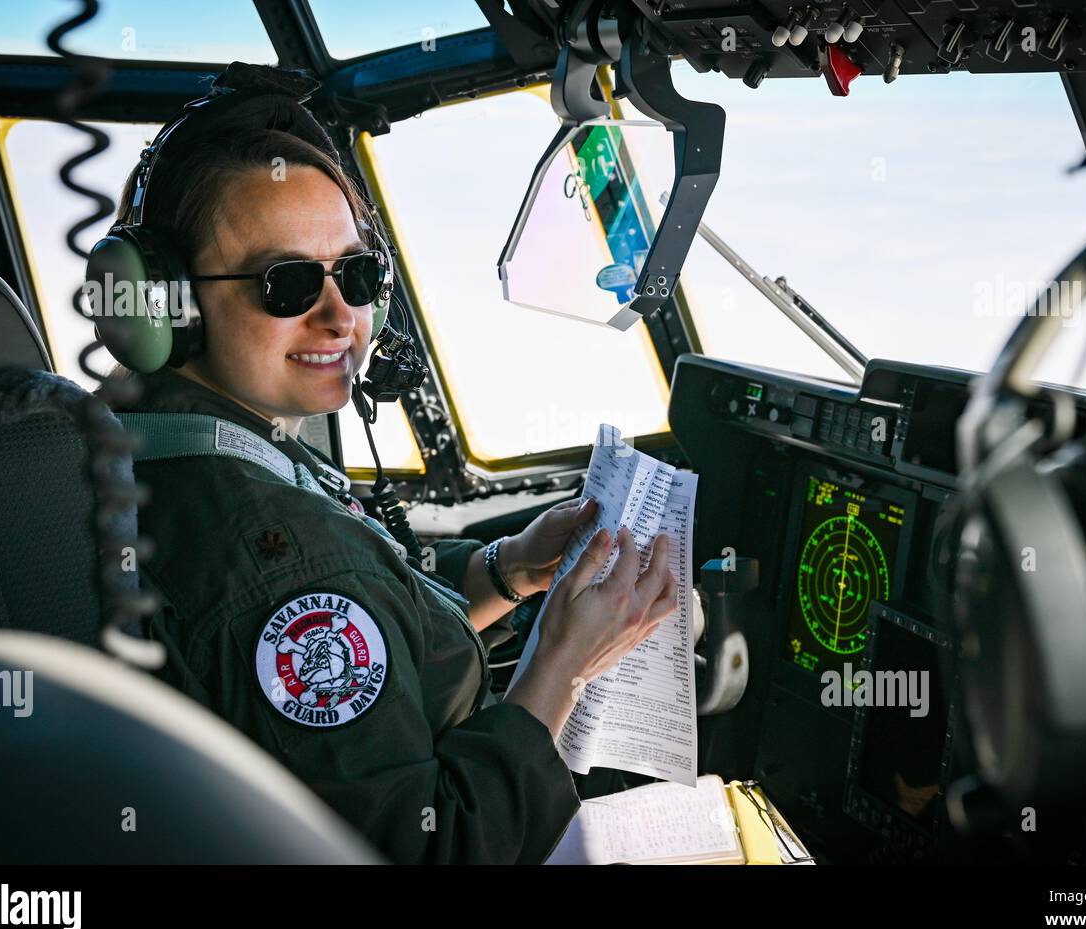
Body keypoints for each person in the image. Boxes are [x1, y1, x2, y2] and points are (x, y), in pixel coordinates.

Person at [104, 87, 677, 864]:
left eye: (358, 274)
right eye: (289, 284)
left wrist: (504, 571)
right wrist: (561, 669)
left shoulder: (179, 446)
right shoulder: (271, 557)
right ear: (165, 304)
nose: (342, 318)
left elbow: (361, 619)